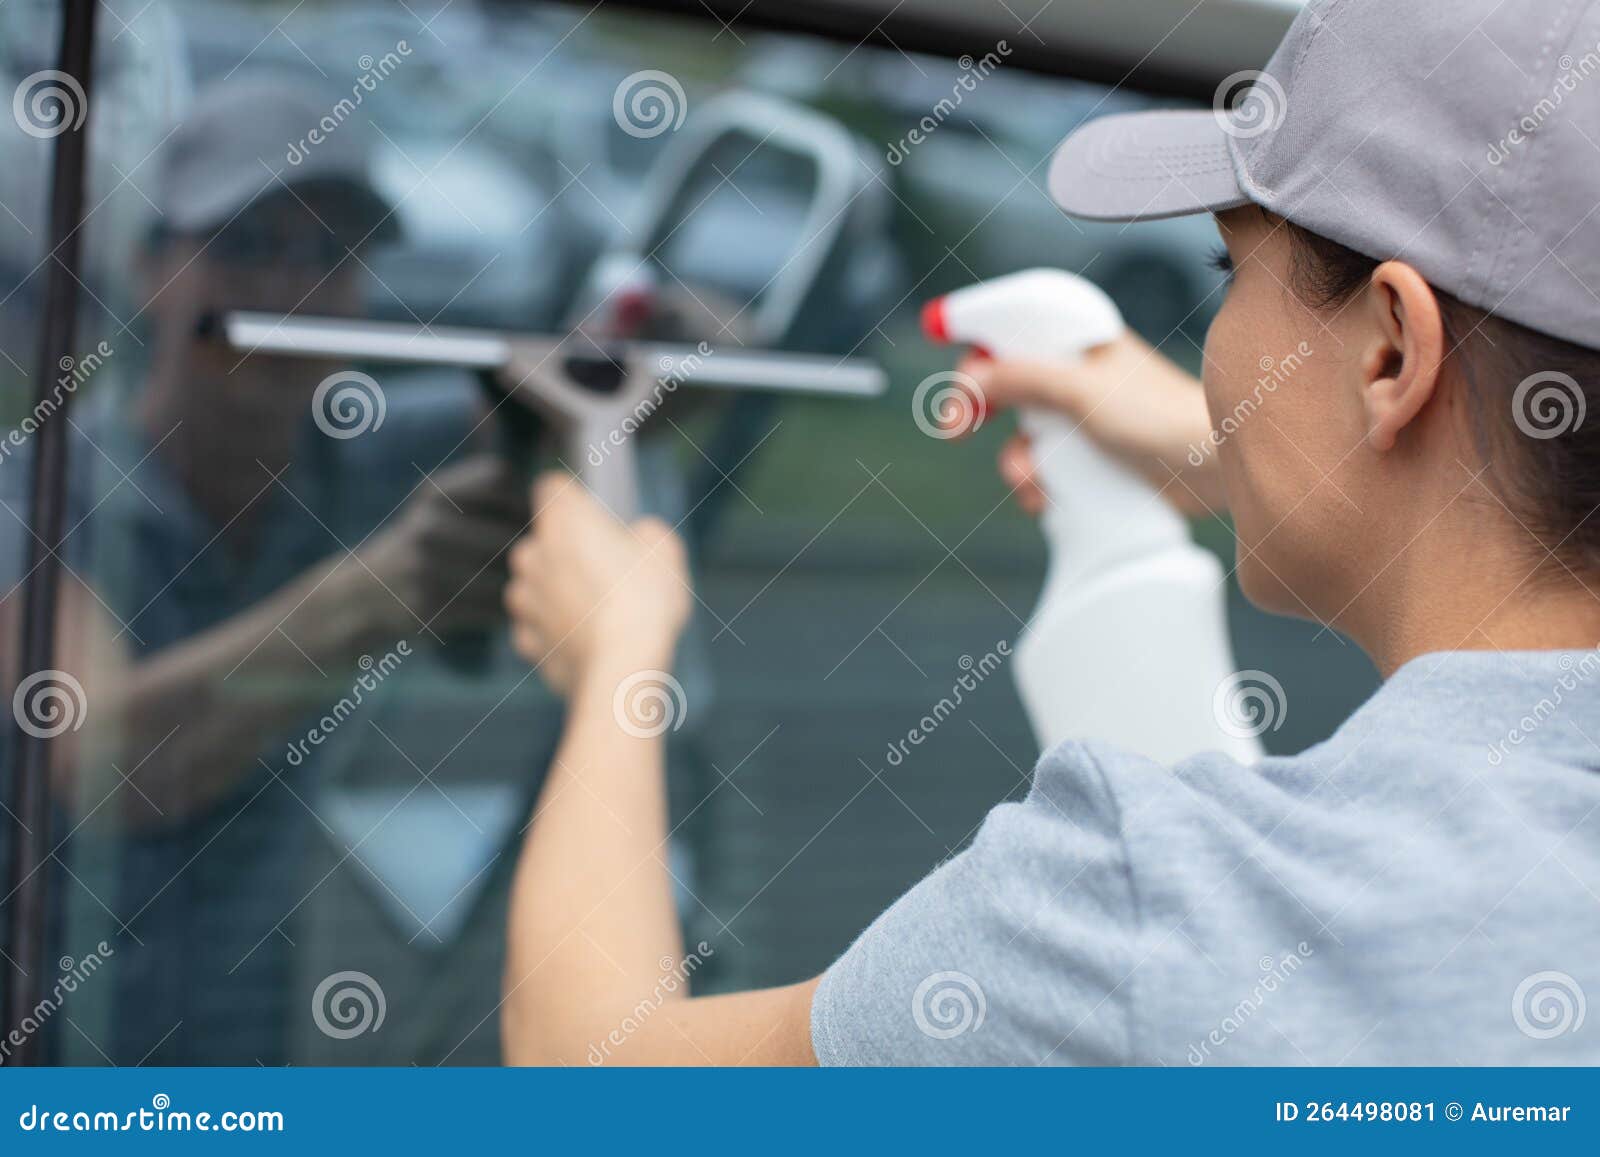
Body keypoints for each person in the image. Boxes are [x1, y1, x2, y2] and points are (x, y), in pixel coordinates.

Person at [496, 0, 1600, 1064]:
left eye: (1230, 268)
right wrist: (1244, 445)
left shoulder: (1167, 908)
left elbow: (595, 1068)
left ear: (1391, 354)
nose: (1211, 339)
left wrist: (615, 660)